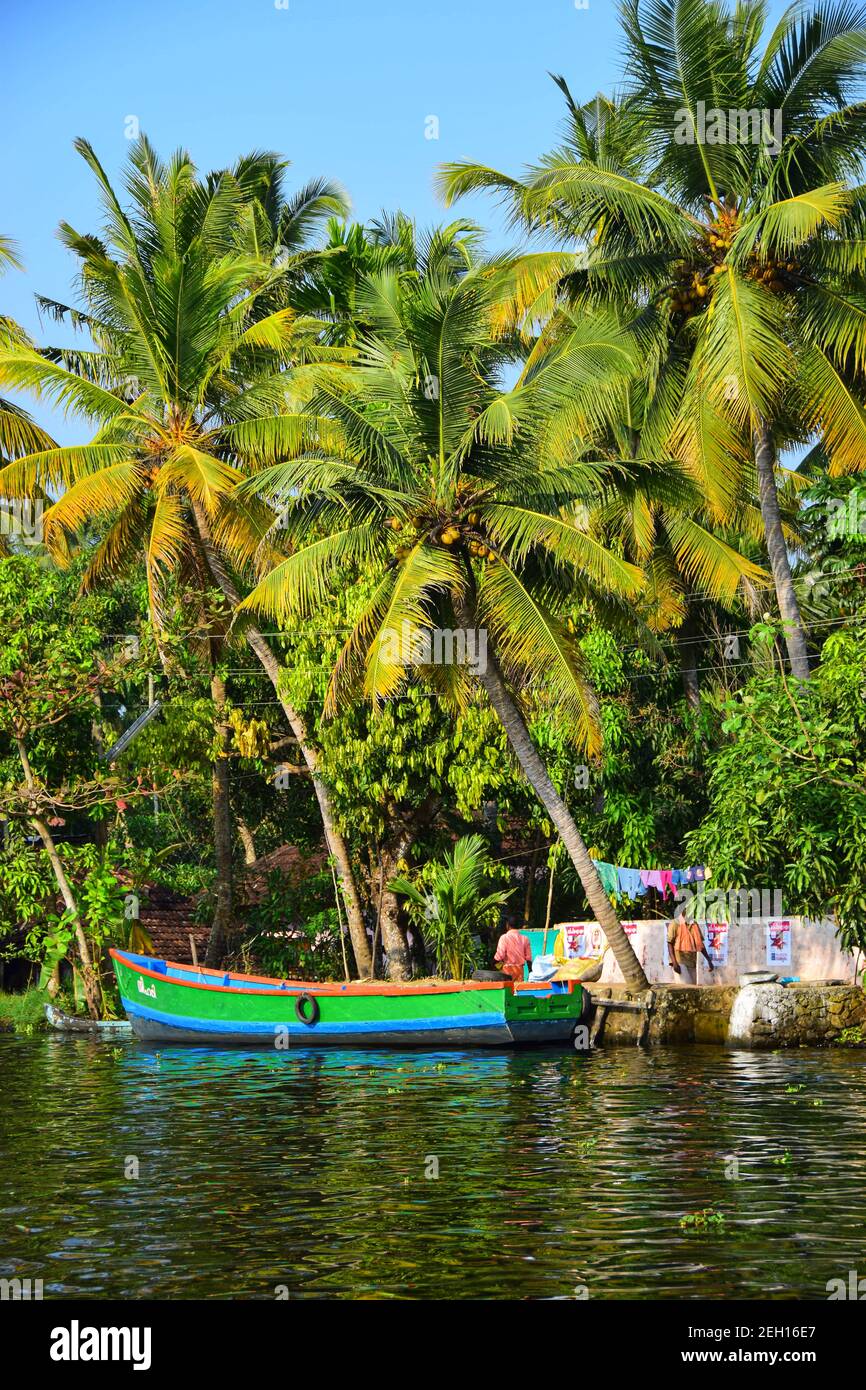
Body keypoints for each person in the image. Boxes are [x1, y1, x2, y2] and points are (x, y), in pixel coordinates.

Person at [667, 914, 714, 984]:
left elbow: (700, 944)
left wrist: (709, 960)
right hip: (680, 961)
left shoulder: (694, 924)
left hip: (692, 961)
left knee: (692, 987)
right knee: (684, 987)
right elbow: (670, 943)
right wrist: (674, 963)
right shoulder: (675, 923)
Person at [494, 914, 533, 983]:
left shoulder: (504, 938)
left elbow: (499, 956)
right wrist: (531, 973)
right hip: (520, 970)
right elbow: (529, 959)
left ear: (507, 925)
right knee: (517, 990)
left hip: (507, 970)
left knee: (508, 990)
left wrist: (494, 965)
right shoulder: (525, 939)